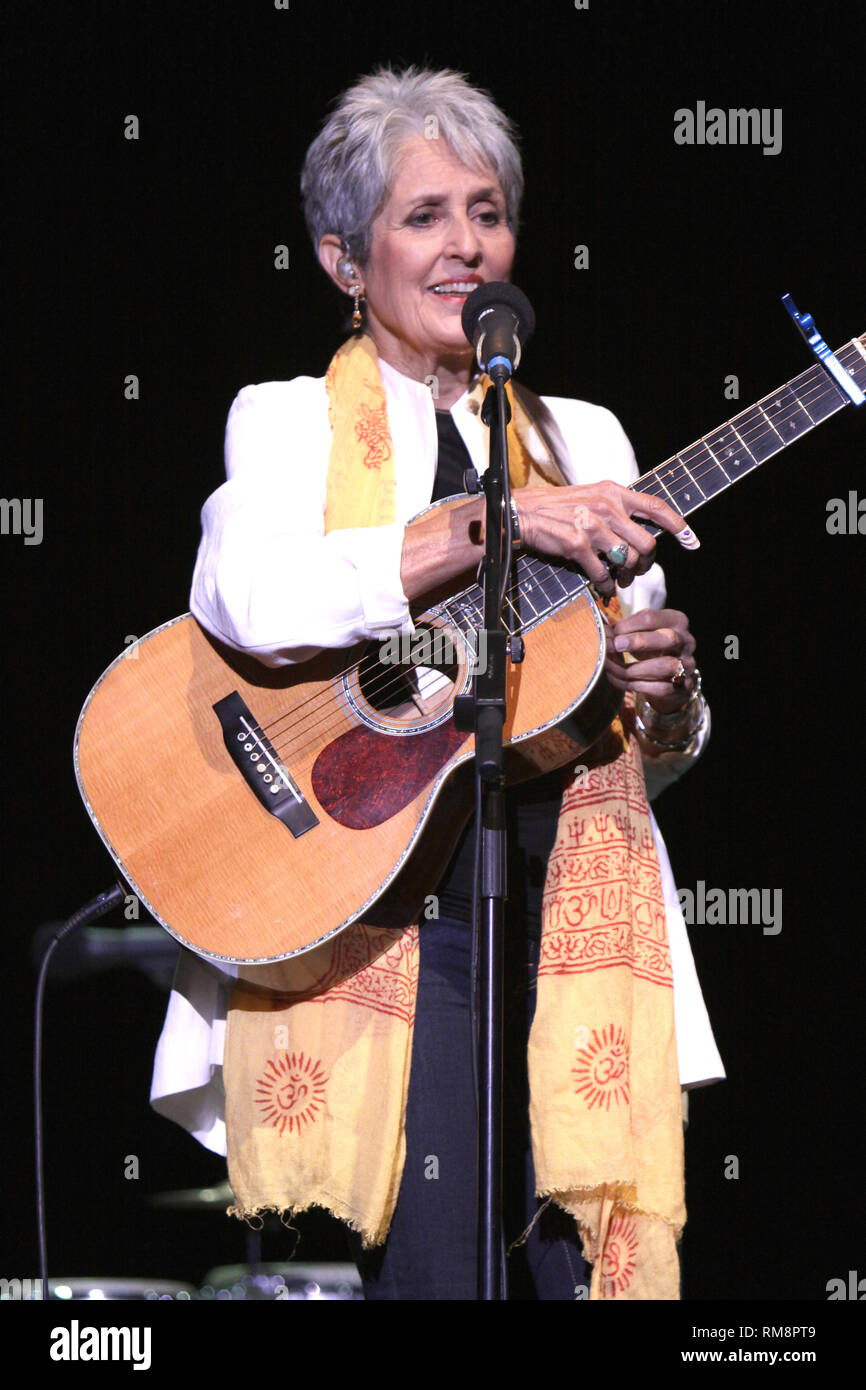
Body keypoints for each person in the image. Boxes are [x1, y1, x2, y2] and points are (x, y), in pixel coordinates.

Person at [150, 65, 724, 1301]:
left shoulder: (589, 440)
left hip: (562, 909)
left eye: (486, 210)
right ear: (342, 261)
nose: (467, 245)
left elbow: (627, 734)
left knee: (573, 1272)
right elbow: (246, 597)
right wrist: (485, 525)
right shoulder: (289, 422)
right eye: (425, 217)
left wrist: (662, 697)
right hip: (395, 924)